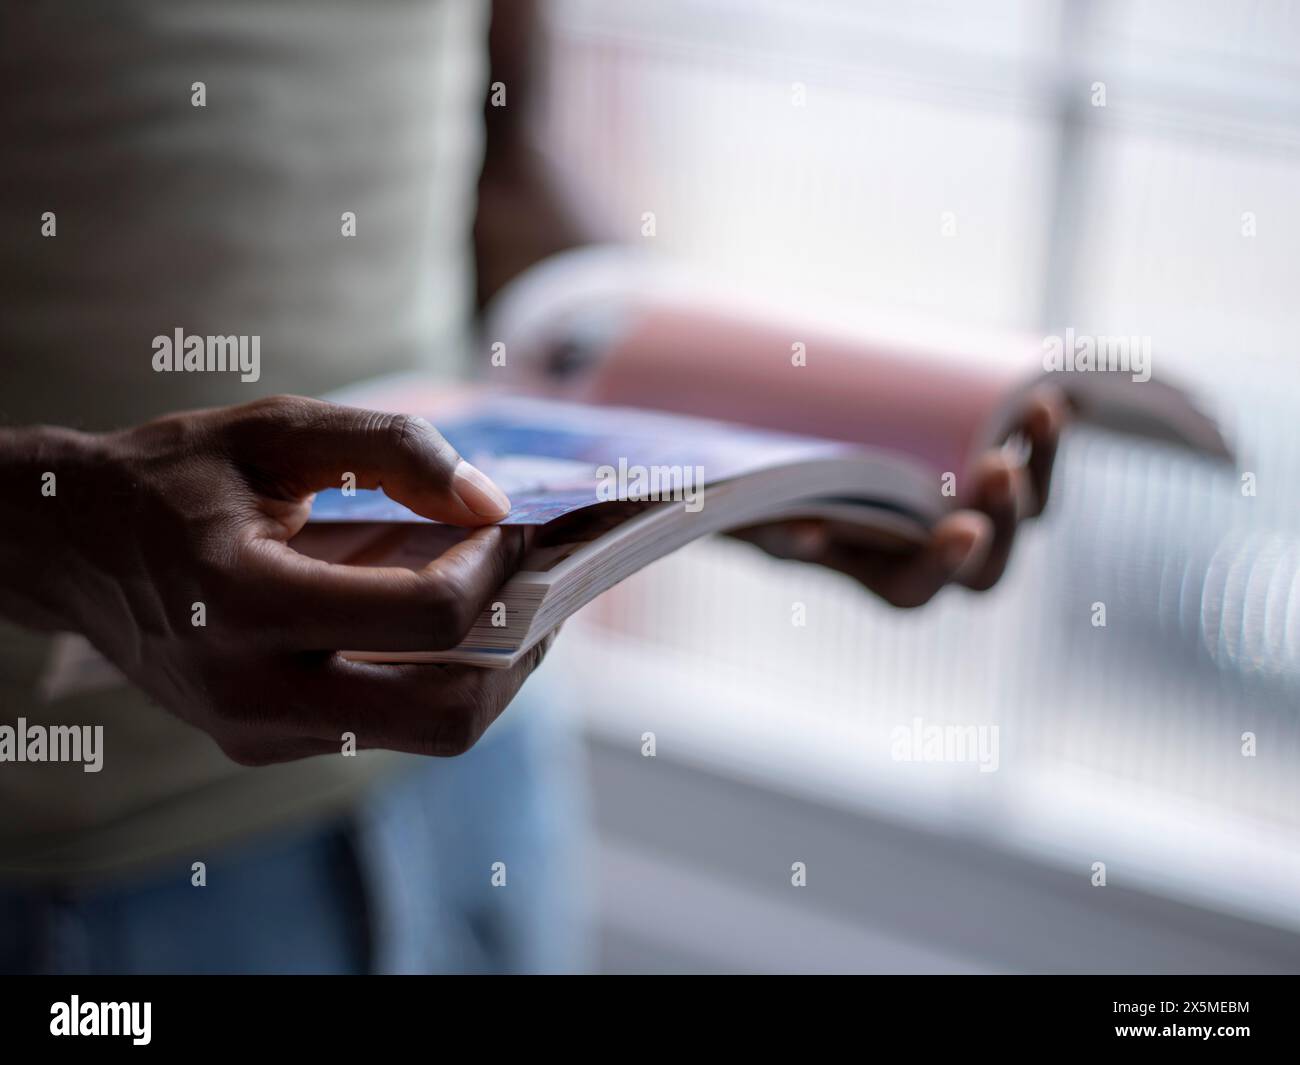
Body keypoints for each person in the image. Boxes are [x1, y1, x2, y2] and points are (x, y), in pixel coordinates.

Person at [0, 1, 1063, 974]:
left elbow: (502, 153)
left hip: (480, 778)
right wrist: (64, 515)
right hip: (79, 874)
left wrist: (716, 418)